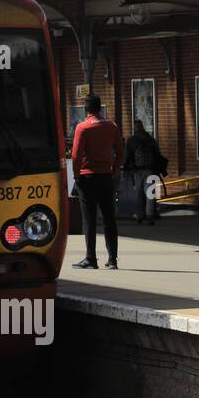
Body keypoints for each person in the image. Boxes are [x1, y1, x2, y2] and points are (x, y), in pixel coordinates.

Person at [71, 94, 122, 270]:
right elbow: (120, 152)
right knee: (109, 218)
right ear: (100, 108)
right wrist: (113, 171)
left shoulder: (82, 127)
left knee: (89, 219)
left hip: (87, 178)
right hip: (106, 177)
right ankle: (112, 259)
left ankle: (91, 258)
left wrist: (76, 175)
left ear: (86, 109)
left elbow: (76, 155)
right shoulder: (112, 126)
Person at [122, 120, 165, 225]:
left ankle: (140, 215)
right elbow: (157, 154)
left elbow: (126, 156)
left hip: (137, 171)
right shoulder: (151, 139)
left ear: (135, 128)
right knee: (150, 193)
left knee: (138, 194)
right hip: (150, 170)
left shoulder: (131, 140)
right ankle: (150, 215)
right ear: (143, 127)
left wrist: (127, 169)